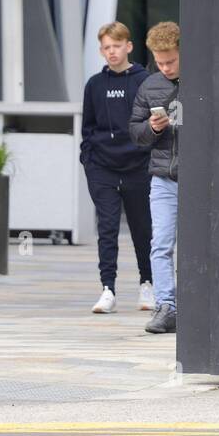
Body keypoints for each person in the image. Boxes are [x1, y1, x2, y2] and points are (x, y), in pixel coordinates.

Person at [80, 22, 154, 314]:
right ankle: (108, 288)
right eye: (106, 48)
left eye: (116, 46)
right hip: (102, 167)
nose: (112, 52)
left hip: (138, 166)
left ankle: (147, 284)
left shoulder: (144, 81)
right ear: (101, 50)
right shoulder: (95, 85)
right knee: (107, 228)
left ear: (129, 46)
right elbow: (88, 127)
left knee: (142, 228)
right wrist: (88, 160)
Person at [129, 21, 181, 335]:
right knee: (160, 244)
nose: (165, 67)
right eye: (160, 62)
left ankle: (193, 304)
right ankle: (167, 307)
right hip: (163, 177)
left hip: (198, 177)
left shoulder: (202, 79)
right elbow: (135, 133)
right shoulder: (149, 86)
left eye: (171, 61)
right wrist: (153, 128)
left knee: (196, 244)